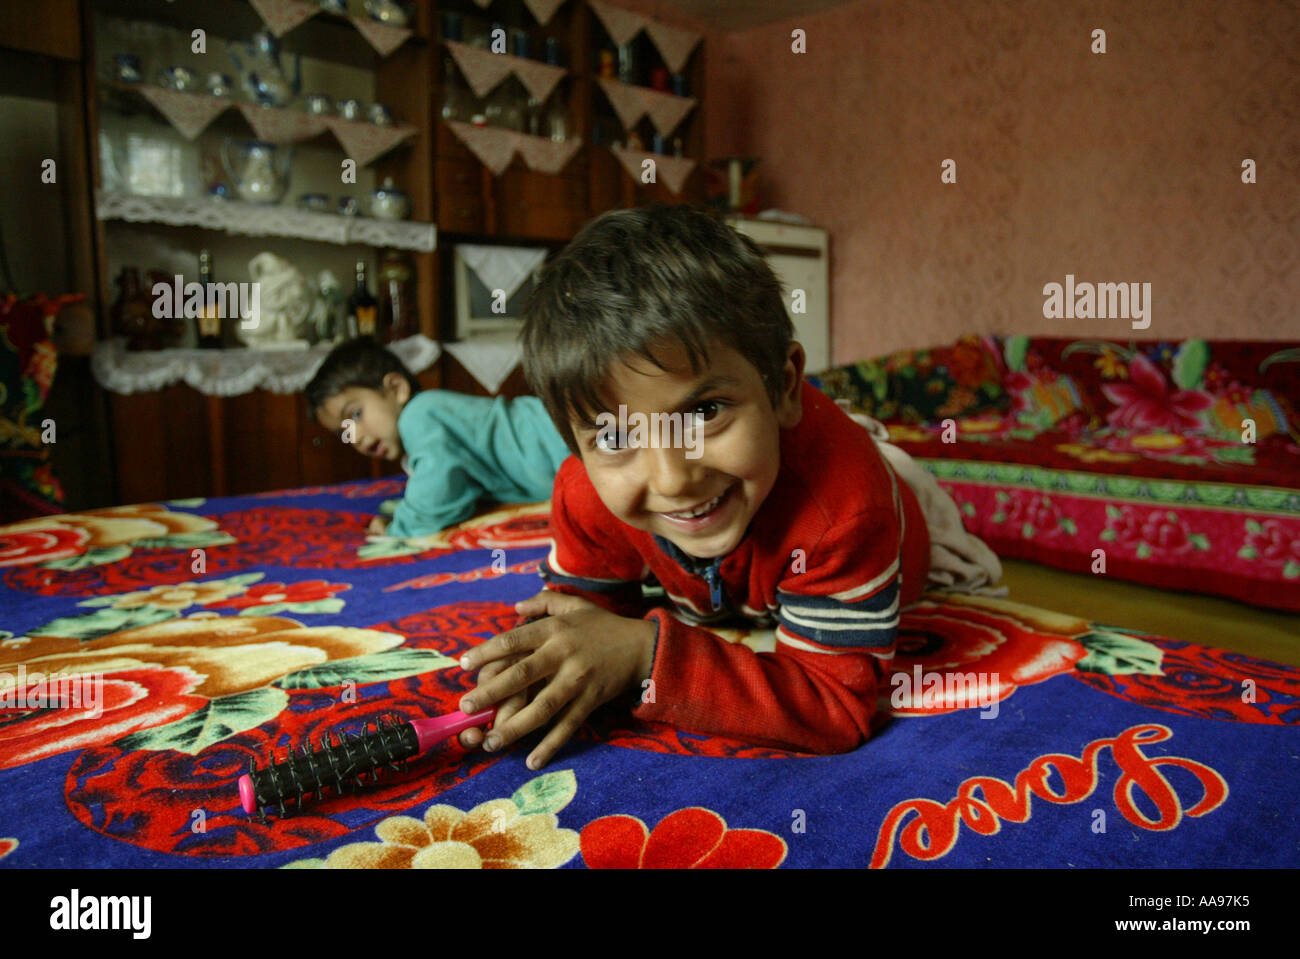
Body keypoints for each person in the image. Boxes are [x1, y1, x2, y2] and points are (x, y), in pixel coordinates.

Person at [454, 204, 933, 771]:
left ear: (782, 387)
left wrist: (644, 653)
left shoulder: (845, 510)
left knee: (885, 481)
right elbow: (580, 619)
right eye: (612, 435)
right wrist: (538, 667)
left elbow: (833, 705)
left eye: (704, 411)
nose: (673, 478)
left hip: (891, 507)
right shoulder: (586, 491)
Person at [305, 337, 571, 538]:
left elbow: (438, 489)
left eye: (356, 414)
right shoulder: (423, 424)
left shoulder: (419, 414)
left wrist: (398, 528)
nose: (355, 437)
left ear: (396, 389)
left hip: (560, 435)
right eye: (344, 432)